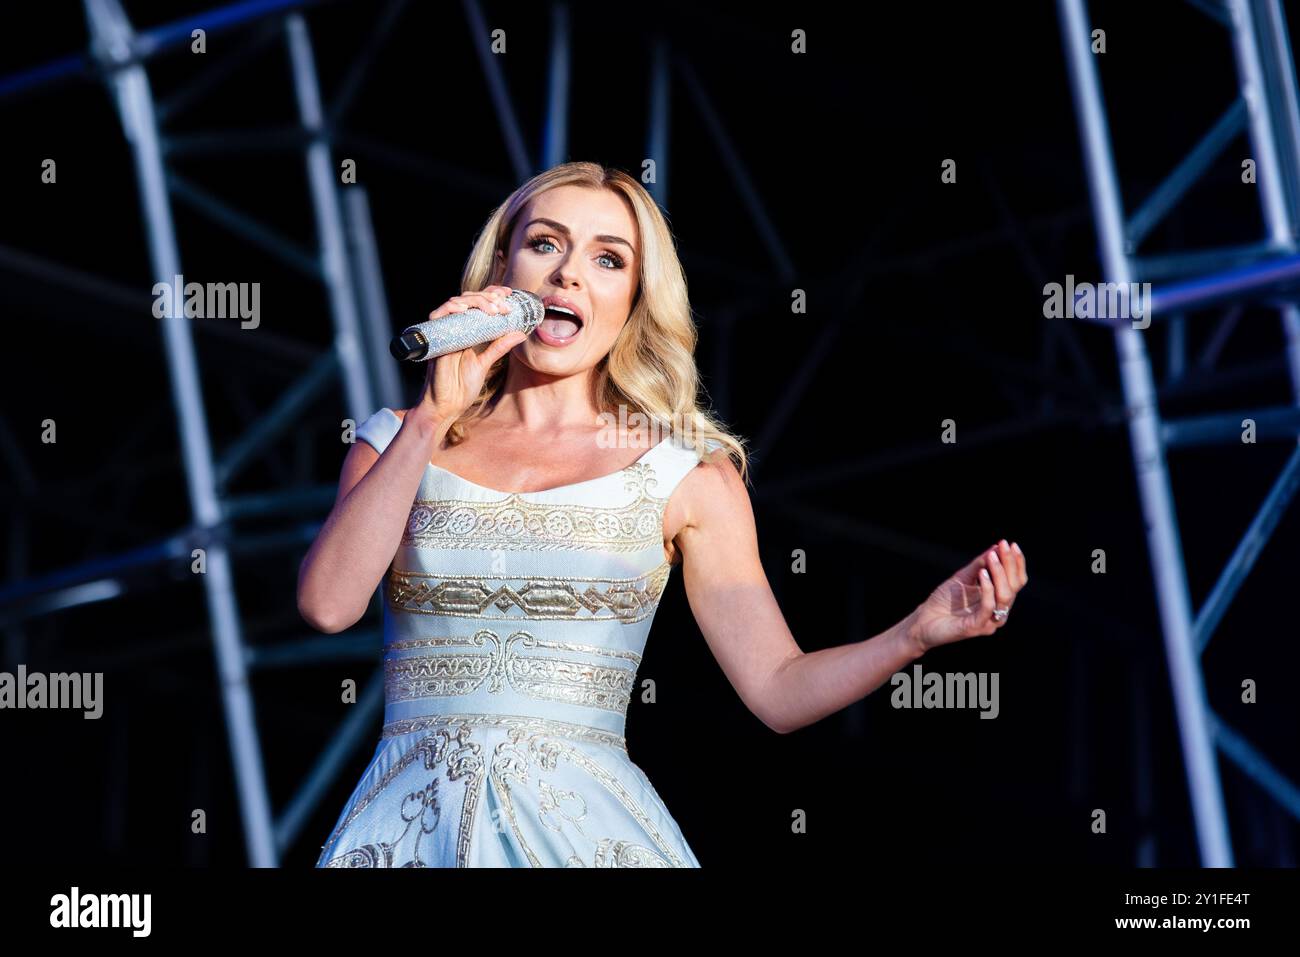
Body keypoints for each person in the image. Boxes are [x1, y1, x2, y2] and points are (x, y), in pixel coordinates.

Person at [297, 161, 1028, 867]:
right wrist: (433, 415)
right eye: (545, 243)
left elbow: (777, 686)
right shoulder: (397, 440)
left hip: (581, 835)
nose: (568, 274)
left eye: (608, 259)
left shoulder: (685, 477)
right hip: (405, 830)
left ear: (635, 298)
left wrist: (914, 633)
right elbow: (328, 605)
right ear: (501, 274)